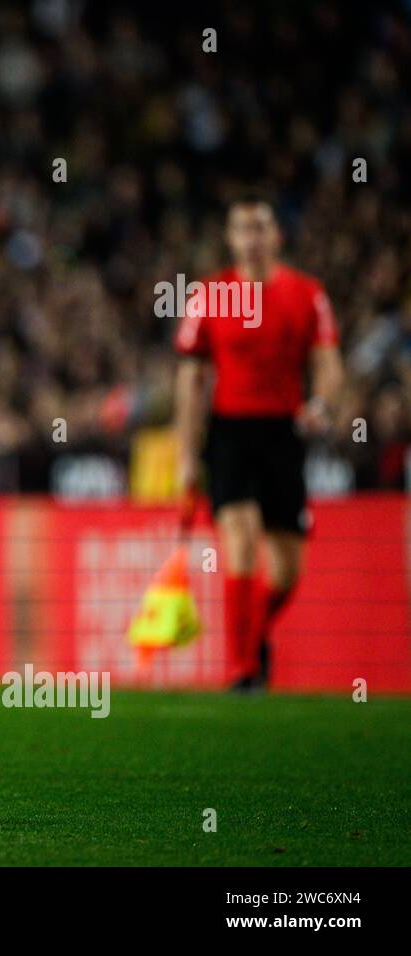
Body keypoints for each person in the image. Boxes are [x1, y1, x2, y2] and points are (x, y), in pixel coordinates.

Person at [173, 195, 343, 690]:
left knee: (289, 569)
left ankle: (254, 634)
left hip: (285, 433)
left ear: (276, 235)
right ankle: (243, 670)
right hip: (229, 432)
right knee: (242, 541)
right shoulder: (209, 295)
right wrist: (187, 451)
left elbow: (328, 362)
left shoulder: (308, 294)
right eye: (242, 228)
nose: (252, 237)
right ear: (231, 237)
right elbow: (190, 378)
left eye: (260, 227)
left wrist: (324, 405)